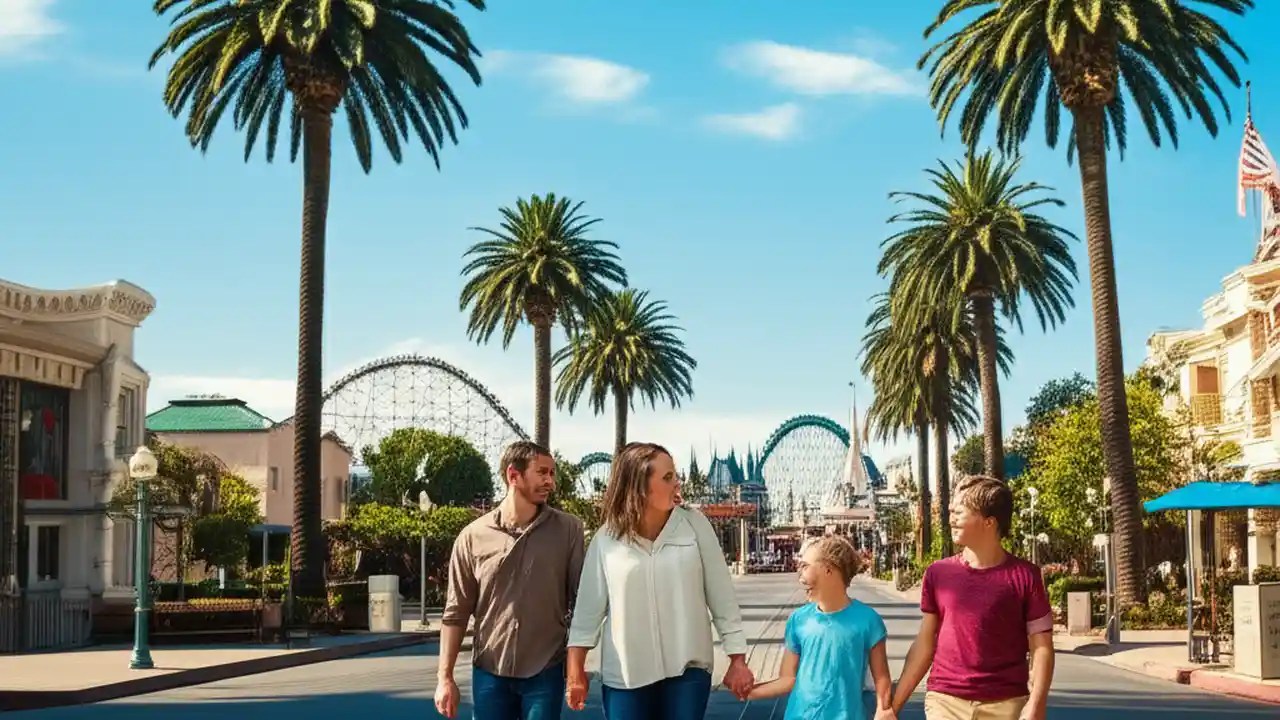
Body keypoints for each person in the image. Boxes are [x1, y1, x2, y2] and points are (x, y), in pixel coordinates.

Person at [565, 442, 754, 719]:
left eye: (675, 475)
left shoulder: (694, 525)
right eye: (667, 478)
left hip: (688, 671)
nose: (677, 483)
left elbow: (722, 598)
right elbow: (586, 613)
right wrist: (575, 673)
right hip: (625, 677)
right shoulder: (606, 539)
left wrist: (737, 659)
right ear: (639, 485)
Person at [435, 441, 585, 720]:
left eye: (552, 473)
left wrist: (575, 670)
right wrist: (445, 678)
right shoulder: (472, 536)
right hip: (489, 672)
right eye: (542, 472)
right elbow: (455, 614)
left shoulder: (568, 530)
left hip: (546, 670)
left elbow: (581, 602)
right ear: (513, 475)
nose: (550, 481)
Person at [891, 474, 1055, 720]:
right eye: (951, 511)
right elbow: (925, 642)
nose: (951, 518)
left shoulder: (1026, 576)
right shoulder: (938, 573)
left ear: (989, 522)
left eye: (960, 512)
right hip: (945, 700)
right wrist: (894, 706)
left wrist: (1036, 703)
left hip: (1006, 703)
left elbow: (1042, 647)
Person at [747, 535, 895, 720]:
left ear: (828, 569)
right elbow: (787, 679)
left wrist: (883, 708)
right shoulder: (798, 620)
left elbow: (881, 677)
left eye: (805, 566)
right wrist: (750, 692)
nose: (800, 576)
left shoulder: (868, 621)